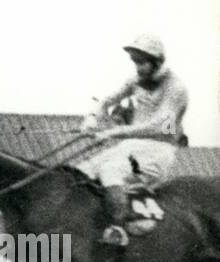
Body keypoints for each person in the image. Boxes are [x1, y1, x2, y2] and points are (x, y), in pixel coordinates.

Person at [79, 34, 190, 243]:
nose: (138, 67)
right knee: (82, 170)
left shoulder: (176, 88)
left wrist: (113, 132)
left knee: (110, 170)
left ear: (157, 62)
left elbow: (159, 126)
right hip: (131, 145)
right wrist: (92, 119)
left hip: (159, 149)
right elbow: (106, 101)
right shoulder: (135, 81)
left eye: (142, 62)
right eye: (135, 62)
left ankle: (117, 229)